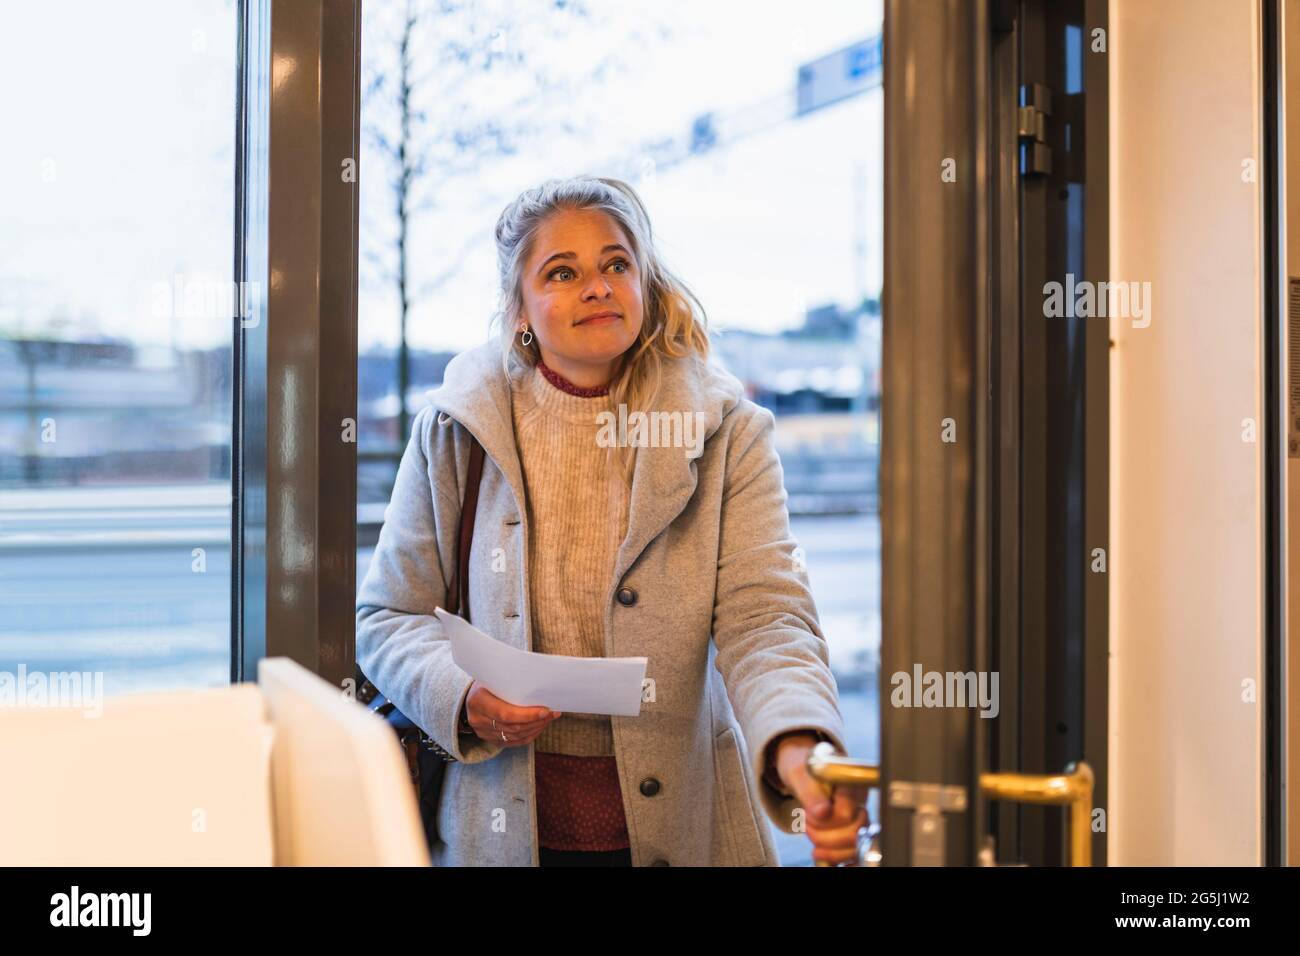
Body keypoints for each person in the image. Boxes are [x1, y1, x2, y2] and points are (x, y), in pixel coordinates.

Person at [356, 174, 868, 866]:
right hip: (498, 832)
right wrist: (462, 697)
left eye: (616, 265)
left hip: (685, 829)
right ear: (520, 309)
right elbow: (388, 616)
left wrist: (800, 746)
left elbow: (766, 617)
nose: (597, 287)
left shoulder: (727, 431)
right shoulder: (456, 429)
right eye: (562, 272)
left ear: (644, 285)